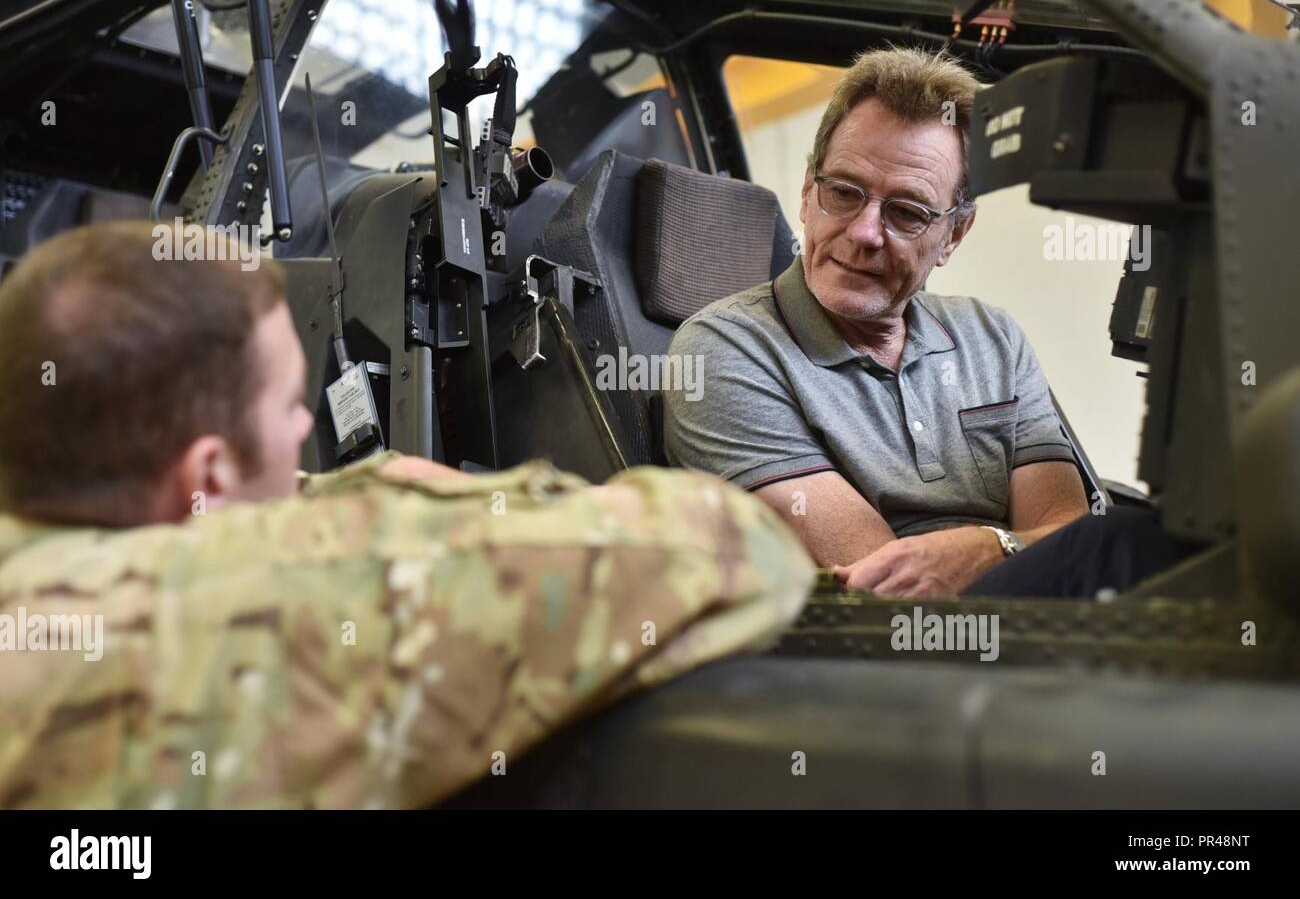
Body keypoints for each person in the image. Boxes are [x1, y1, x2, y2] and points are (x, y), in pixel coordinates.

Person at [0, 220, 814, 809]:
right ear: (206, 475)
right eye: (289, 406)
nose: (302, 431)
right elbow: (735, 544)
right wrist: (401, 494)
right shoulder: (236, 608)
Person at [665, 46, 1197, 599]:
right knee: (1134, 545)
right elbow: (888, 579)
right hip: (895, 654)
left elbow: (1064, 528)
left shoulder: (993, 338)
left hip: (1041, 618)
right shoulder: (724, 351)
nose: (866, 232)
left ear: (954, 235)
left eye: (907, 212)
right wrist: (1015, 542)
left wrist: (993, 548)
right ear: (806, 192)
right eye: (844, 193)